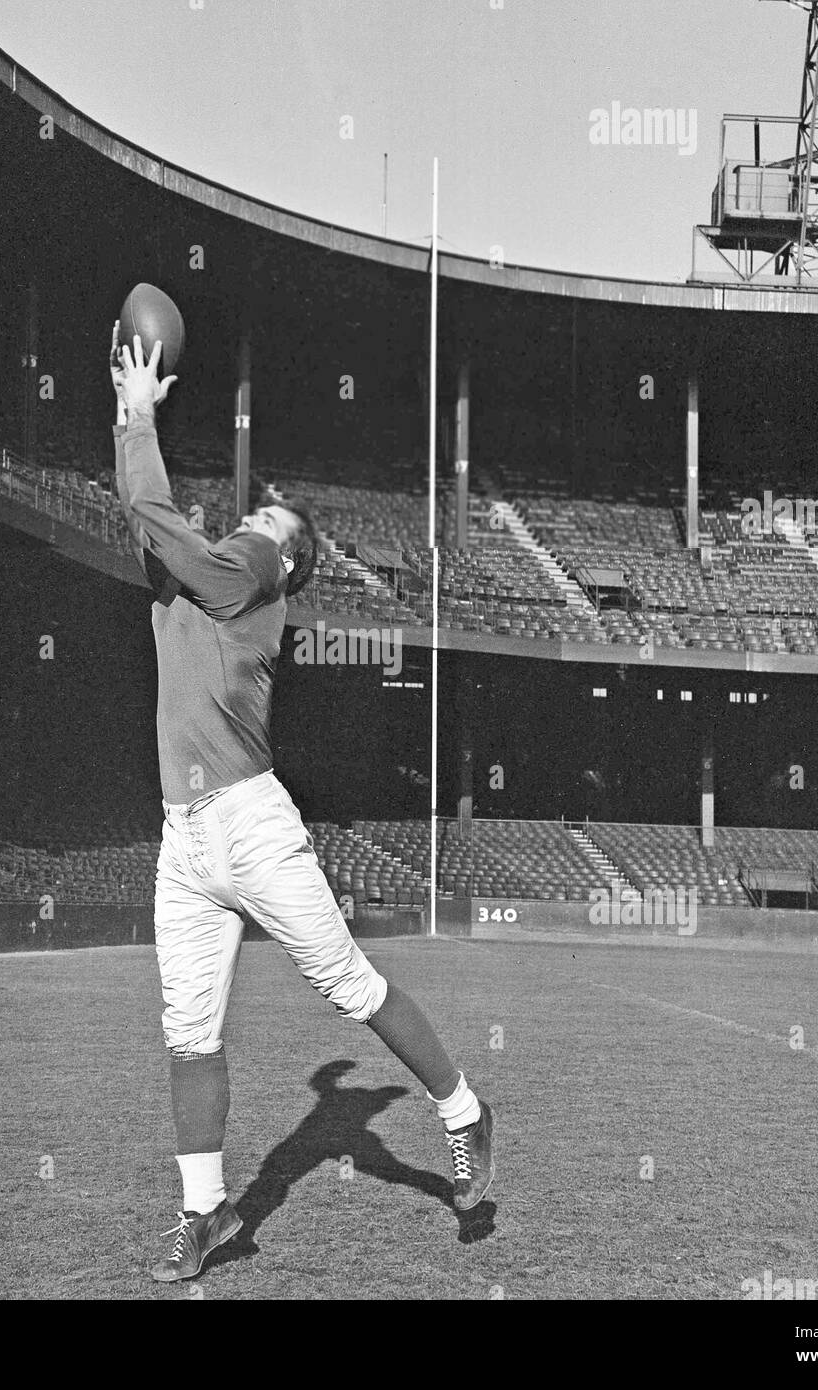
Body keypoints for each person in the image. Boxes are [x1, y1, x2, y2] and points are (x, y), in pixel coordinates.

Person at [109, 323, 495, 1283]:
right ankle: (207, 1215)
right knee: (187, 1034)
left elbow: (156, 518)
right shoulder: (205, 575)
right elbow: (149, 519)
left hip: (249, 822)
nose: (258, 524)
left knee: (347, 986)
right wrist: (128, 413)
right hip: (185, 838)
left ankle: (462, 1112)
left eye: (275, 529)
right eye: (257, 516)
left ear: (287, 569)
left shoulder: (242, 584)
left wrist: (138, 414)